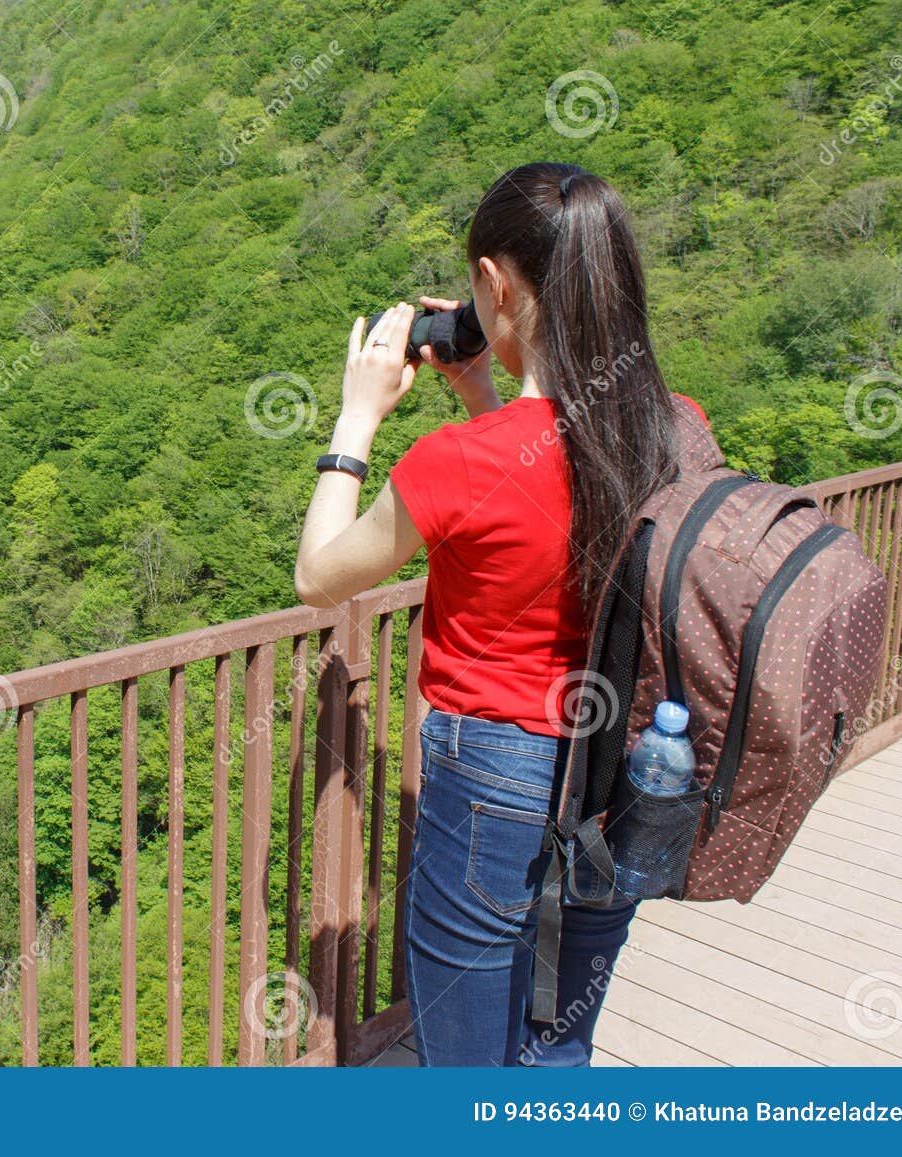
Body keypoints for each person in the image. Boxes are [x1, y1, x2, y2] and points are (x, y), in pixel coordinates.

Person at [294, 162, 705, 1066]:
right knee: (556, 1046)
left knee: (469, 1067)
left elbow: (319, 577)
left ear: (493, 285)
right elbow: (554, 487)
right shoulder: (670, 429)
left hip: (493, 778)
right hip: (619, 776)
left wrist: (355, 422)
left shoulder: (457, 462)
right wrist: (483, 391)